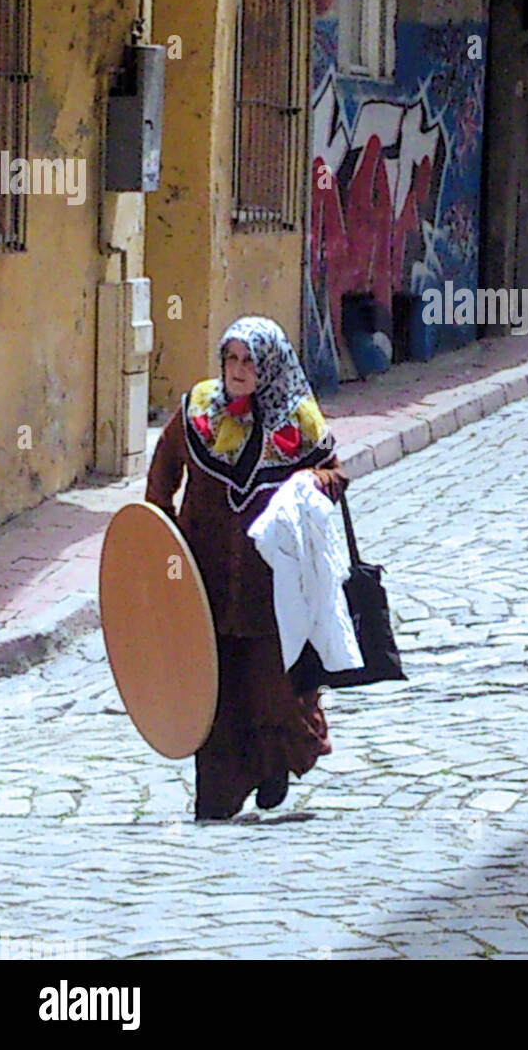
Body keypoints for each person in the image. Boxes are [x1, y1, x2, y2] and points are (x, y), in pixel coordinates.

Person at [145, 316, 348, 820]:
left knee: (274, 686)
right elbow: (161, 478)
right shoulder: (197, 413)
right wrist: (166, 550)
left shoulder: (299, 421)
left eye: (249, 362)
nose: (237, 370)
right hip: (207, 588)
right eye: (231, 359)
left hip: (273, 591)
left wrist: (314, 484)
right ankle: (219, 794)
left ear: (268, 367)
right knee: (217, 695)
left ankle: (274, 767)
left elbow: (334, 472)